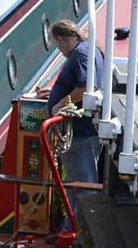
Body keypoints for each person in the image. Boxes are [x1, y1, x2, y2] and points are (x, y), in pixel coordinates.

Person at [37, 19, 104, 233]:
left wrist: (60, 103)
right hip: (82, 132)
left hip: (80, 134)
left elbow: (86, 87)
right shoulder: (87, 50)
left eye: (58, 46)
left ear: (61, 39)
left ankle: (78, 233)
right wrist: (56, 92)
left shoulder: (81, 55)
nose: (60, 50)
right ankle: (74, 228)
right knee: (78, 181)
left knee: (80, 184)